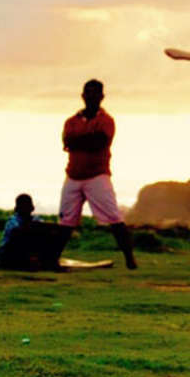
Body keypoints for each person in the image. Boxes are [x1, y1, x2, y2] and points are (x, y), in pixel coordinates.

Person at [60, 79, 137, 269]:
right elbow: (69, 142)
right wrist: (86, 140)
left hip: (97, 176)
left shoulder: (106, 121)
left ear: (102, 97)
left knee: (114, 218)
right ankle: (52, 256)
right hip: (73, 175)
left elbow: (99, 142)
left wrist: (81, 141)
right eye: (88, 93)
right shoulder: (72, 121)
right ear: (82, 95)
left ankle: (130, 260)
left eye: (95, 93)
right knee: (65, 221)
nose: (91, 97)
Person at [0, 194, 69, 271]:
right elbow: (16, 233)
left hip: (28, 251)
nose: (25, 209)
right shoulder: (13, 221)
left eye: (27, 206)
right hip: (10, 252)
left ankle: (46, 261)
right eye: (23, 207)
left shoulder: (36, 220)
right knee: (21, 235)